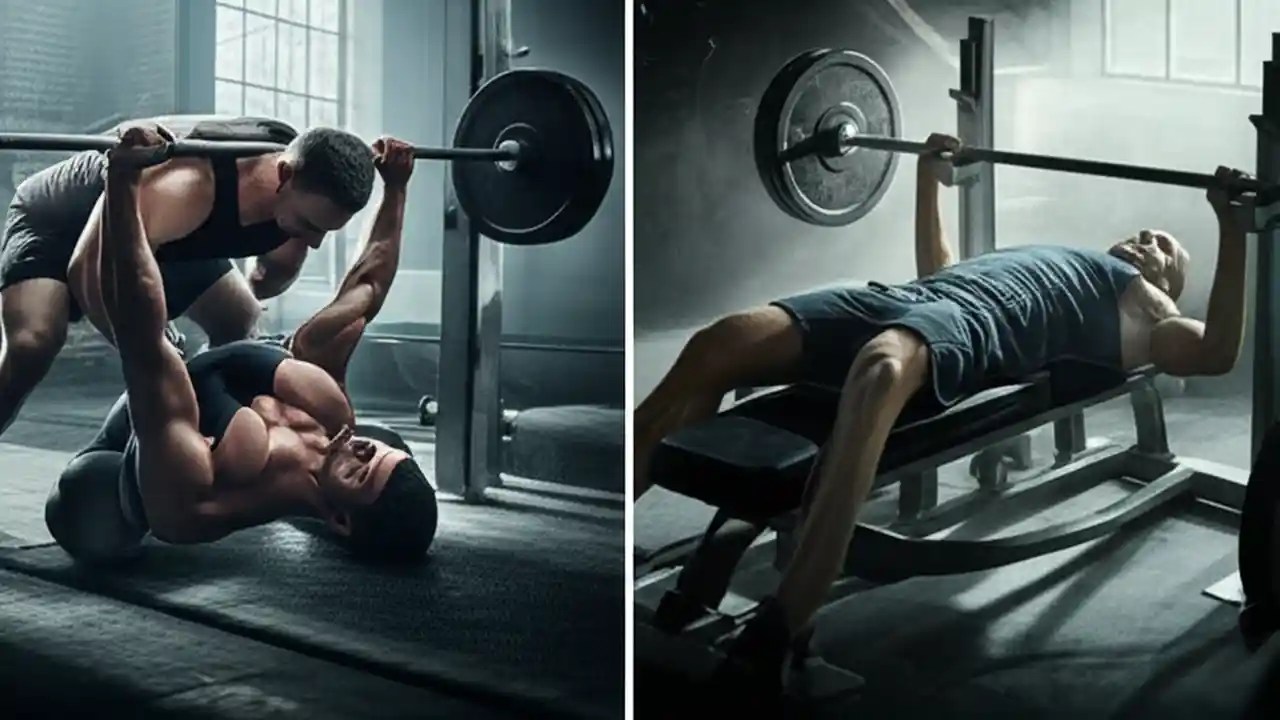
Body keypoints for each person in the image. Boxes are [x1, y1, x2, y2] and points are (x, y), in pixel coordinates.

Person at [634, 133, 1250, 701]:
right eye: (1144, 233)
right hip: (901, 296)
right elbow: (941, 268)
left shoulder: (1150, 310)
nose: (1146, 240)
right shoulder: (1050, 253)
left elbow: (1216, 352)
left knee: (881, 368)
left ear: (1170, 282)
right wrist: (929, 178)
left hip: (966, 327)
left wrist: (1232, 227)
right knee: (719, 342)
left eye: (1164, 246)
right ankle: (611, 519)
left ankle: (785, 620)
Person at [43, 127, 436, 565]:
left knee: (88, 505)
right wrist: (396, 187)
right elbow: (367, 288)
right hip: (226, 380)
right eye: (374, 452)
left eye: (362, 471)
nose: (361, 447)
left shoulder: (210, 487)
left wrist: (123, 181)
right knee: (345, 361)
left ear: (340, 519)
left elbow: (142, 343)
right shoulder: (329, 411)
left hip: (134, 455)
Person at [0, 116, 378, 438]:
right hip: (58, 221)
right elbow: (85, 269)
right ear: (284, 175)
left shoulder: (299, 193)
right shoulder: (190, 185)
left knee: (240, 321)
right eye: (309, 225)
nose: (314, 242)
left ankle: (198, 436)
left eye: (324, 231)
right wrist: (153, 352)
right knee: (34, 343)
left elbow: (267, 279)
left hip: (168, 240)